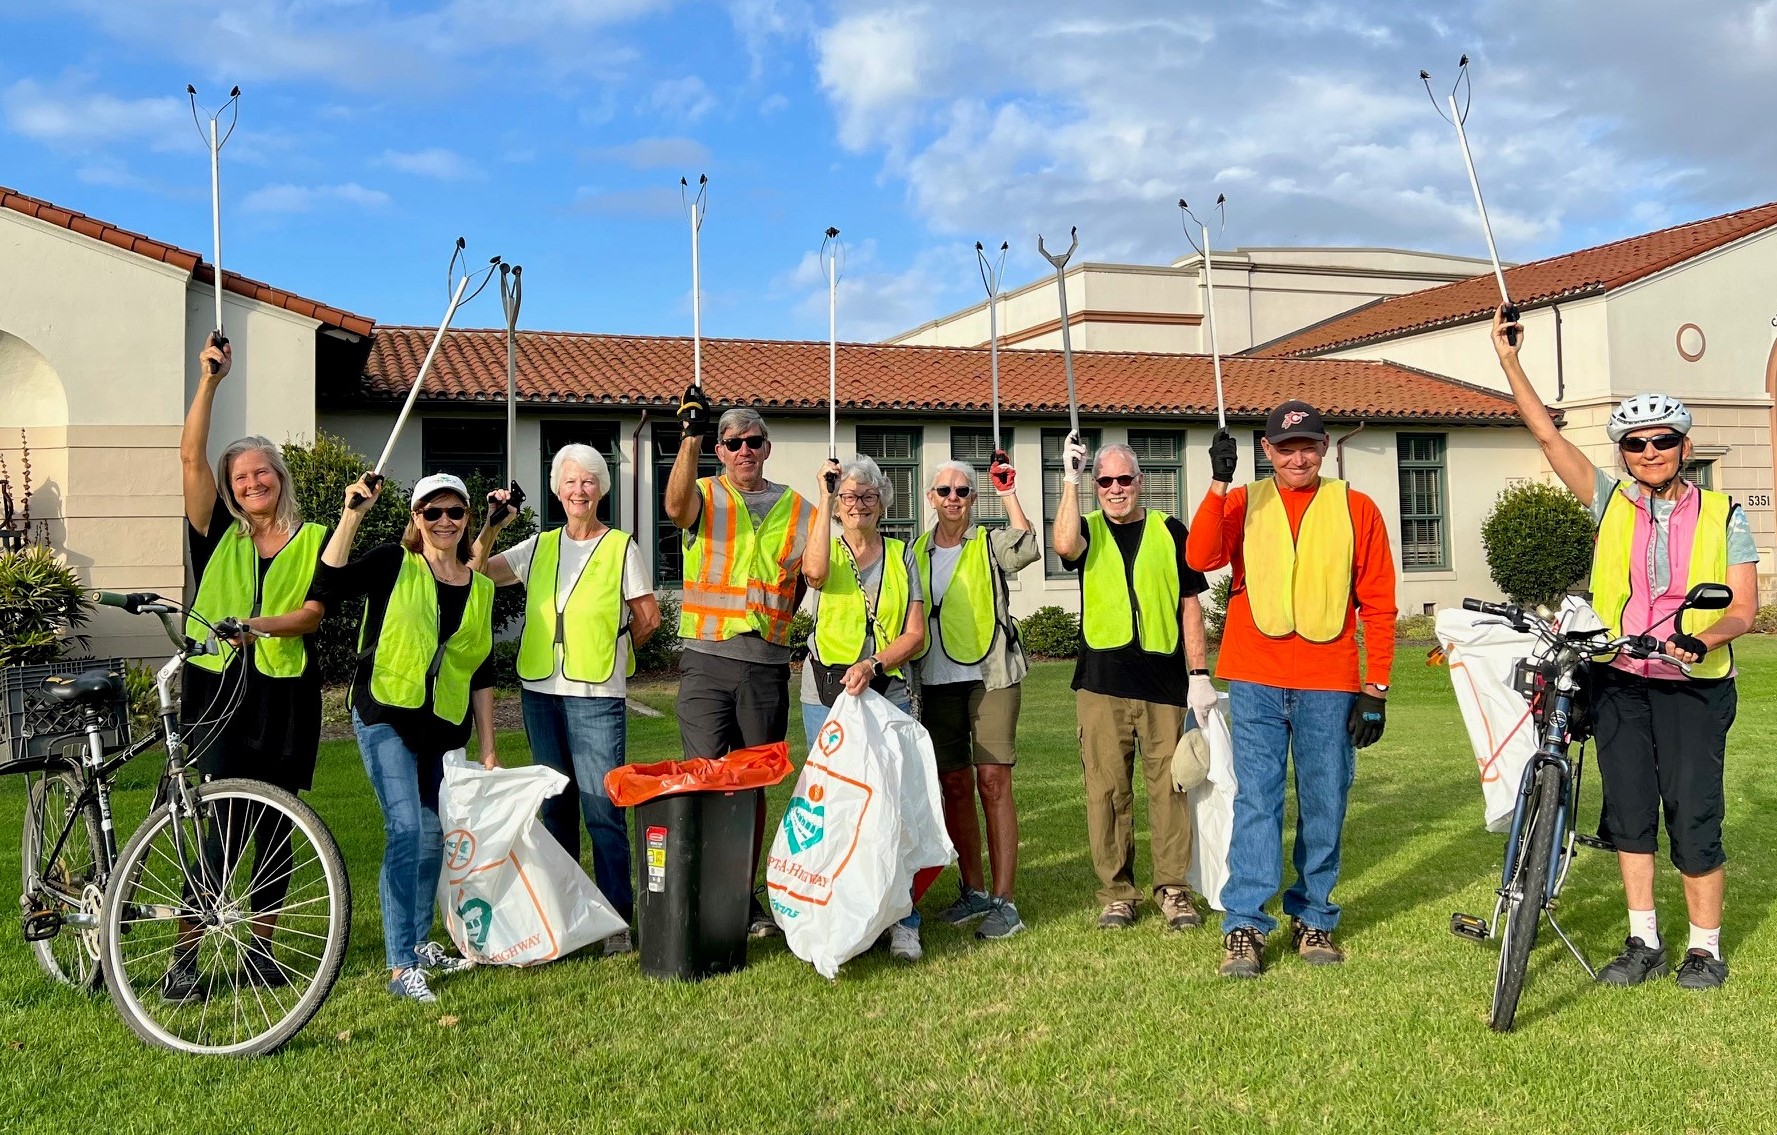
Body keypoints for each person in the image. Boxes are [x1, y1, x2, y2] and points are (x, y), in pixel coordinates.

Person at [1492, 306, 1755, 990]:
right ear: (1622, 453)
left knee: (1692, 812)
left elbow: (1745, 607)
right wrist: (1509, 361)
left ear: (1681, 445)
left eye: (1660, 441)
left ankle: (1704, 946)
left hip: (1692, 682)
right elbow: (1548, 439)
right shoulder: (1609, 502)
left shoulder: (1723, 515)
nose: (1648, 453)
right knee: (1630, 812)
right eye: (1634, 444)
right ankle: (1642, 940)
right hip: (1619, 678)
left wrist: (1702, 635)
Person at [1188, 402, 1397, 979]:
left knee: (1324, 801)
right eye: (1286, 448)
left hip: (1330, 682)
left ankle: (1314, 917)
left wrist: (1376, 687)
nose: (1298, 457)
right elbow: (1201, 556)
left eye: (1308, 445)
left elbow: (1378, 602)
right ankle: (1246, 926)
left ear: (1325, 447)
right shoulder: (1241, 502)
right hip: (1254, 677)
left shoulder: (1357, 508)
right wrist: (1216, 481)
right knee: (1256, 800)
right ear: (1266, 450)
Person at [169, 333, 327, 1000]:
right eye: (241, 476)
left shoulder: (315, 538)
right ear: (231, 489)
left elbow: (315, 613)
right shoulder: (216, 536)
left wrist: (258, 627)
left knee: (278, 825)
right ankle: (183, 957)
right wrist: (211, 380)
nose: (252, 481)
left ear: (279, 478)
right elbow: (188, 456)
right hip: (218, 693)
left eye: (262, 471)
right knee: (224, 828)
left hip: (286, 695)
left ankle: (260, 952)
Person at [475, 445, 661, 957]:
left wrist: (611, 647)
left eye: (589, 482)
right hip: (540, 691)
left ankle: (616, 921)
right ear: (557, 490)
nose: (579, 491)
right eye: (570, 482)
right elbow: (473, 569)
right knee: (554, 809)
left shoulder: (622, 547)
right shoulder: (538, 546)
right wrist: (493, 522)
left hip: (596, 694)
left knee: (603, 810)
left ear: (601, 489)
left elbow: (648, 617)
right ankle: (566, 917)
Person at [321, 472, 499, 1003]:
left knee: (432, 836)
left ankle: (419, 944)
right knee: (409, 829)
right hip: (384, 713)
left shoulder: (481, 587)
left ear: (466, 520)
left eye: (455, 513)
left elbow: (482, 669)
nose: (444, 522)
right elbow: (328, 585)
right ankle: (401, 967)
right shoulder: (393, 563)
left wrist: (489, 743)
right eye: (432, 513)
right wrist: (351, 513)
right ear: (416, 520)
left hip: (441, 725)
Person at [663, 391, 816, 937]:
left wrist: (776, 623)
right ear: (721, 451)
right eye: (733, 443)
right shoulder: (703, 492)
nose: (745, 450)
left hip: (766, 665)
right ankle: (698, 889)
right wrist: (690, 436)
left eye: (753, 441)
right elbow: (674, 510)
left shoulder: (800, 507)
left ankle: (744, 897)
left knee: (751, 785)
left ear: (767, 447)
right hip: (706, 660)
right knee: (701, 776)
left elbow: (806, 579)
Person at [1051, 439, 1217, 933]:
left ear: (1140, 481)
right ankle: (1117, 893)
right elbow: (1062, 545)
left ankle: (1173, 890)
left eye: (1125, 480)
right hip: (1101, 682)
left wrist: (1199, 675)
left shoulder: (1170, 530)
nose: (1116, 489)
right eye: (1105, 481)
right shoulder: (1087, 527)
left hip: (1164, 681)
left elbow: (1191, 604)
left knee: (1170, 788)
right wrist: (1070, 479)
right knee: (1106, 790)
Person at [800, 455, 929, 960]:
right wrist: (824, 494)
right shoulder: (825, 545)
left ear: (882, 503)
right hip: (827, 689)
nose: (857, 504)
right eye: (848, 497)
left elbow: (915, 635)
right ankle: (843, 914)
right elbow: (812, 575)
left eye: (866, 496)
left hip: (886, 687)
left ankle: (903, 920)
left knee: (891, 806)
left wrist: (874, 663)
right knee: (834, 805)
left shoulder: (901, 555)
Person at [911, 456, 1040, 942]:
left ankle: (1005, 903)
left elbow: (1026, 548)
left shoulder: (988, 542)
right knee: (955, 786)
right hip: (936, 678)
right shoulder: (915, 551)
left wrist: (1008, 490)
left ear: (972, 499)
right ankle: (973, 891)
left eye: (963, 492)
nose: (953, 499)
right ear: (930, 498)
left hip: (991, 675)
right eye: (944, 491)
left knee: (992, 782)